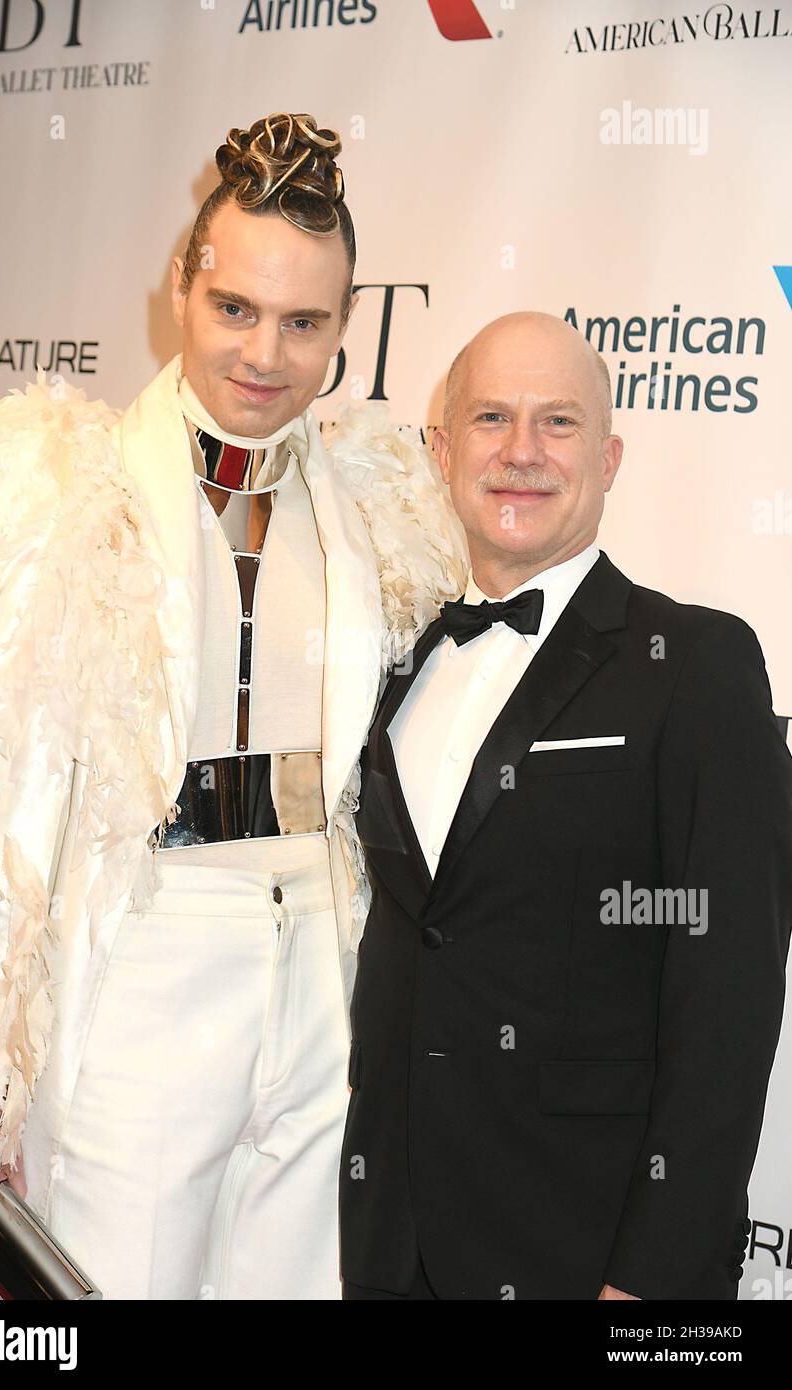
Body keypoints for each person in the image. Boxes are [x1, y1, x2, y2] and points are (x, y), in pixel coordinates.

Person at [0, 112, 463, 1300]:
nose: (265, 353)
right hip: (144, 949)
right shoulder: (54, 488)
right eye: (236, 309)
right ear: (182, 285)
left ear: (342, 325)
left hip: (319, 957)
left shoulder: (380, 505)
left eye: (303, 322)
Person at [339, 310, 792, 1300]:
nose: (520, 452)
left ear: (609, 454)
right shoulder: (392, 664)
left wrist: (652, 1279)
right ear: (440, 446)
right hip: (389, 1246)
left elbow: (728, 1000)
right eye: (491, 418)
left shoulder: (695, 665)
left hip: (587, 1256)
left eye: (557, 423)